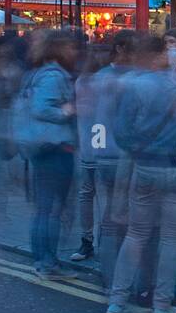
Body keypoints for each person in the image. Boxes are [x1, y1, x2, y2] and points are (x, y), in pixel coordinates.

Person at [107, 33, 176, 313]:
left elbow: (120, 131)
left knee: (136, 234)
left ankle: (117, 301)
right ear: (159, 56)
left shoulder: (132, 85)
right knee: (171, 239)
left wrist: (138, 150)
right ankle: (162, 305)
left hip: (145, 166)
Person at [75, 31, 136, 290]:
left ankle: (101, 257)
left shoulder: (90, 80)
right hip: (115, 154)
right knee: (115, 211)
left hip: (95, 153)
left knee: (102, 206)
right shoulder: (124, 80)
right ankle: (114, 271)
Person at [23, 29, 80, 281]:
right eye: (69, 47)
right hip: (54, 147)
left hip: (40, 146)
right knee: (52, 208)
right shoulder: (54, 76)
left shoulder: (36, 74)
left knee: (44, 208)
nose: (74, 51)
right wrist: (66, 111)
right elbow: (41, 108)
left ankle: (42, 259)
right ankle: (47, 263)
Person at [71, 42, 111, 262]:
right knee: (106, 196)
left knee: (87, 194)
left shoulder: (83, 81)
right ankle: (104, 240)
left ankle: (87, 241)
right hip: (105, 146)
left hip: (89, 144)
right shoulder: (109, 80)